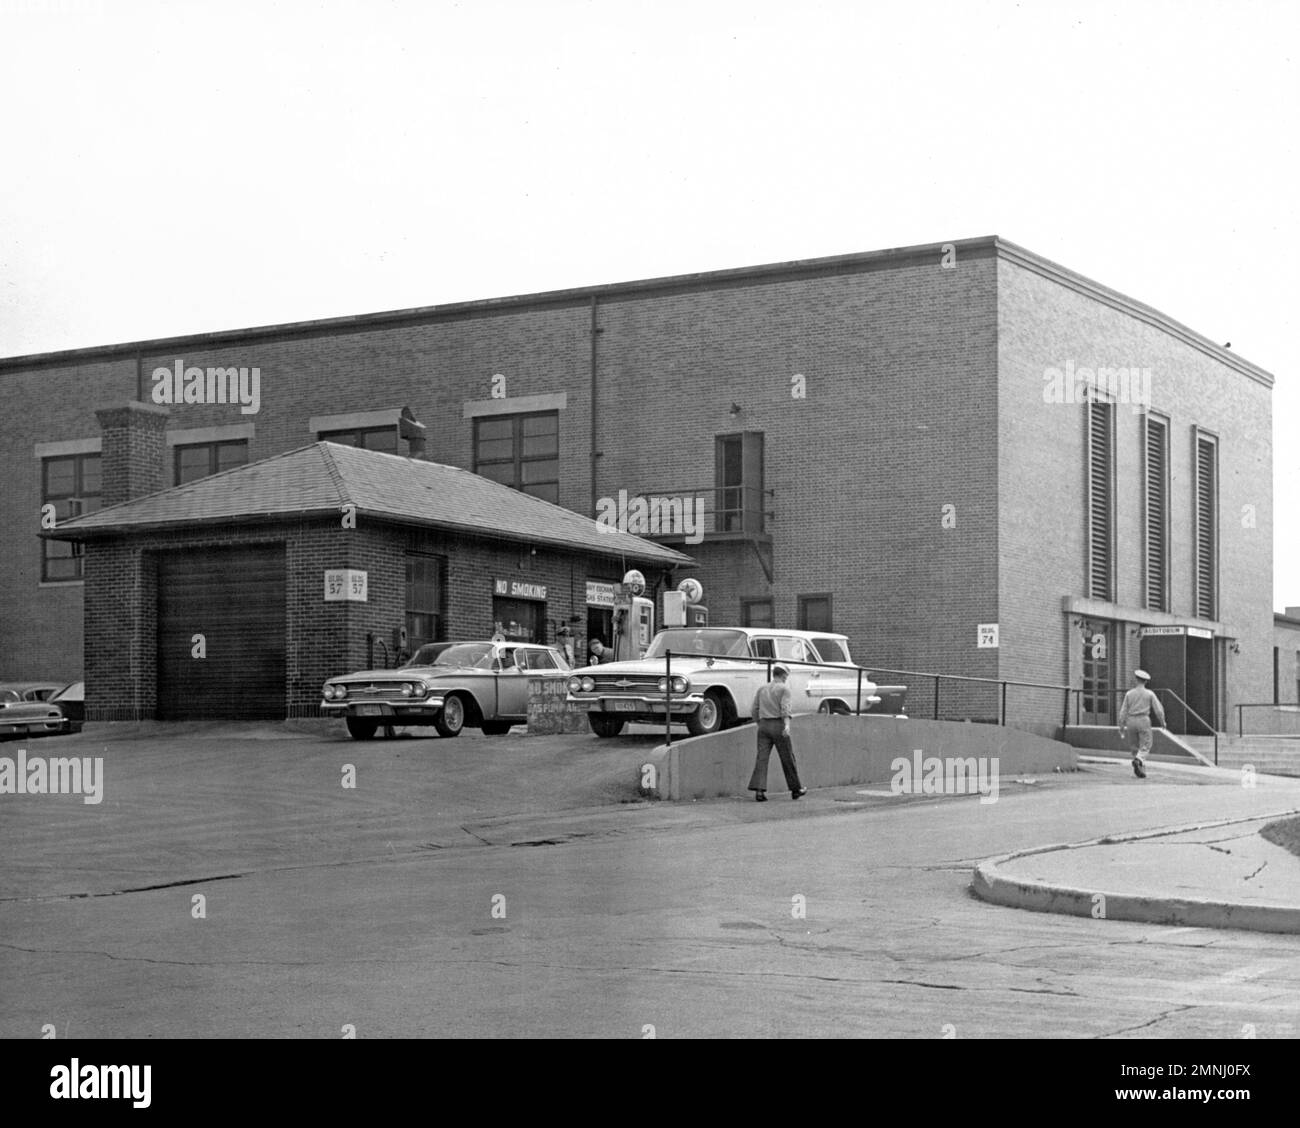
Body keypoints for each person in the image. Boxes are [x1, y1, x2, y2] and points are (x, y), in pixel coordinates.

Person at [747, 665, 807, 802]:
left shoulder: (762, 689)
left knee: (761, 758)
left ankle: (759, 791)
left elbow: (754, 709)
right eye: (787, 675)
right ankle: (795, 789)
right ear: (784, 675)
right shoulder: (784, 689)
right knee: (787, 757)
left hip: (763, 725)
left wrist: (760, 723)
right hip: (778, 725)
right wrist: (786, 725)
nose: (787, 678)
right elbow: (785, 709)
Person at [1118, 668, 1166, 778]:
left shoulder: (1129, 694)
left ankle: (1140, 769)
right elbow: (1158, 709)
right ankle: (1139, 761)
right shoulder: (1149, 694)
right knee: (1146, 744)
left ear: (1136, 679)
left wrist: (1121, 726)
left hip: (1131, 720)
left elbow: (1123, 711)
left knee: (1134, 746)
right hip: (1143, 720)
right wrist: (1162, 721)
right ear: (1146, 681)